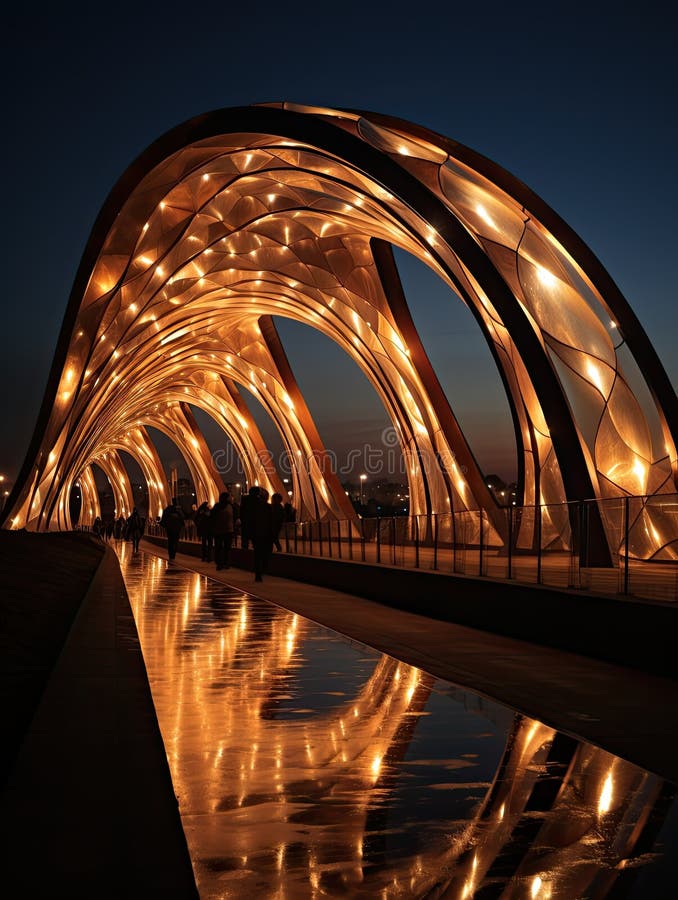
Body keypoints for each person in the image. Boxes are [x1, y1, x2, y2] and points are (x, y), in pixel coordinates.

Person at [251, 488, 273, 582]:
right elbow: (272, 521)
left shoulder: (254, 508)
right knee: (265, 553)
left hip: (257, 534)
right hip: (266, 534)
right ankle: (263, 569)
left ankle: (258, 573)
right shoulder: (268, 507)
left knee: (257, 554)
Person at [211, 491, 234, 570]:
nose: (231, 498)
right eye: (229, 497)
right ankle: (224, 563)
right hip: (227, 530)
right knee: (225, 548)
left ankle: (221, 563)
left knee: (220, 547)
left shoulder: (217, 506)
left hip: (220, 530)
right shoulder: (230, 506)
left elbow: (212, 516)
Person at [160, 497, 185, 563]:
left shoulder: (167, 509)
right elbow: (183, 518)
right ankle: (173, 554)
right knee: (175, 541)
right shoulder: (178, 510)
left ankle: (171, 555)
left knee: (170, 541)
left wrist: (163, 524)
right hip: (177, 528)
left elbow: (164, 518)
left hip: (170, 528)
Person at [239, 485, 260, 550]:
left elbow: (241, 510)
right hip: (255, 523)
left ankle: (244, 553)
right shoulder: (258, 500)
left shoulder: (244, 499)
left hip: (246, 522)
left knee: (245, 540)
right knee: (255, 541)